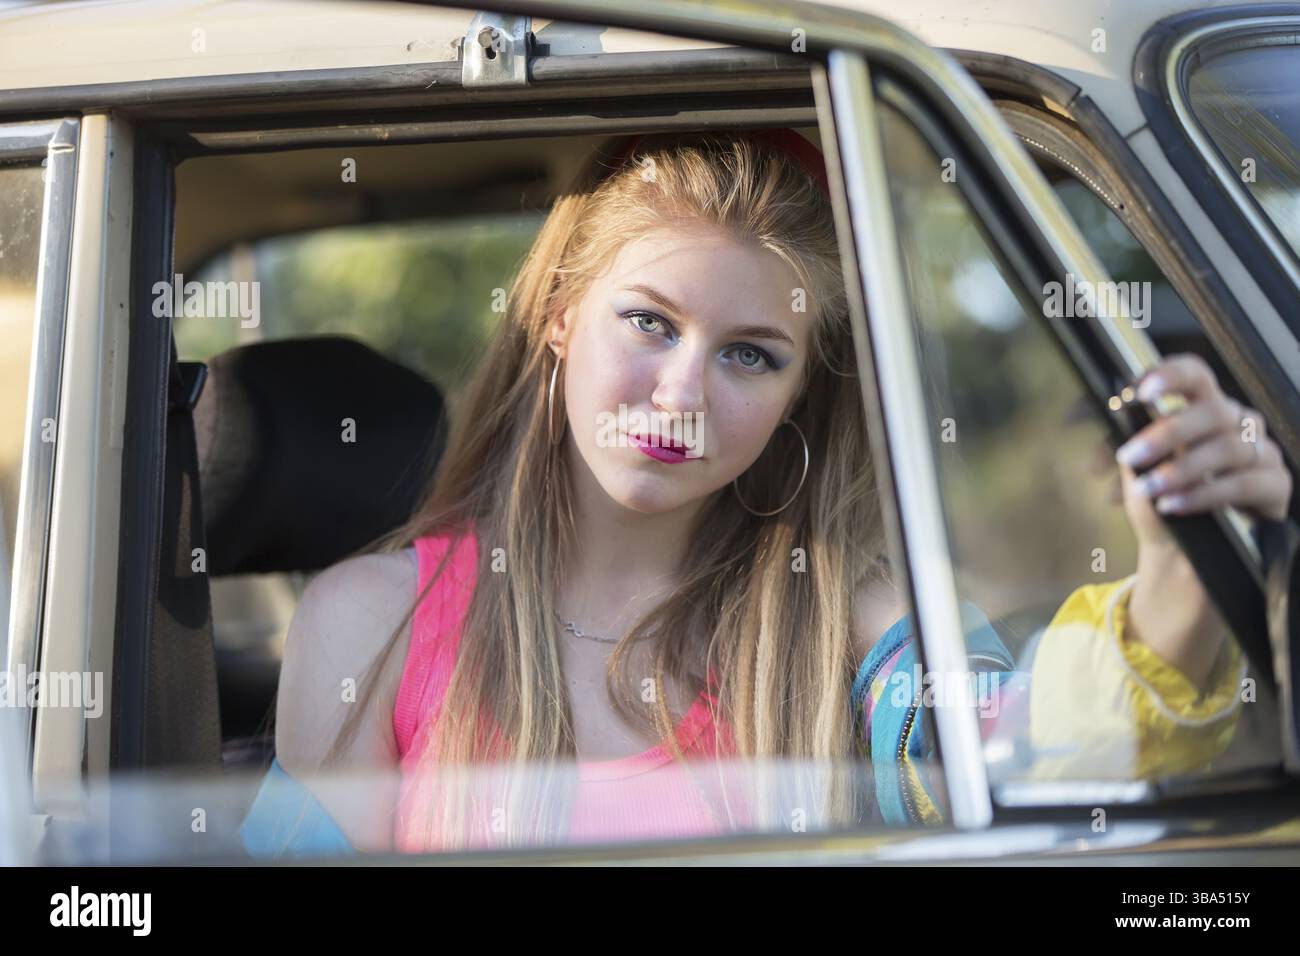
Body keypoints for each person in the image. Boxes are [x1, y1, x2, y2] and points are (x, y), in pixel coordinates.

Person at [239, 129, 1292, 857]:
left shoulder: (854, 623)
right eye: (648, 321)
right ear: (558, 315)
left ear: (798, 395)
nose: (681, 391)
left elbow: (1032, 770)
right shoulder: (373, 622)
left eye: (750, 355)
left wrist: (1177, 568)